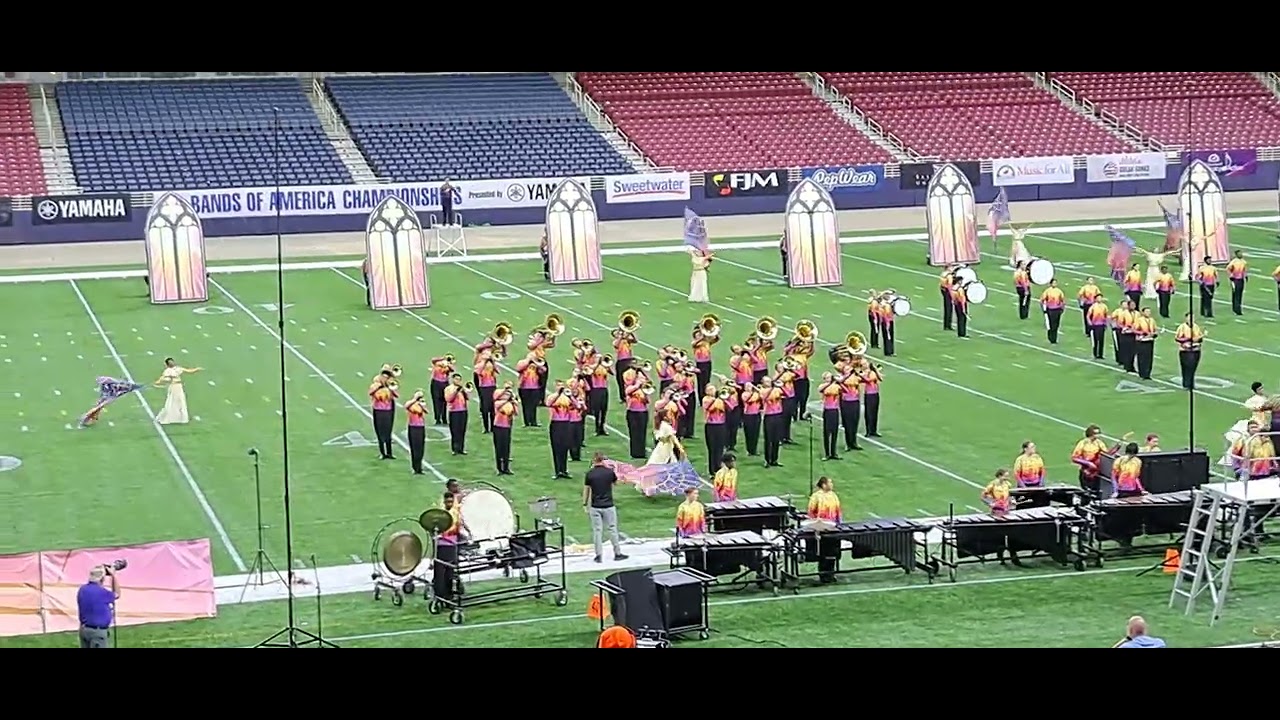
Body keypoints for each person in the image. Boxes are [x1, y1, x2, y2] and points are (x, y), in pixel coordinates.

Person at [583, 453, 628, 564]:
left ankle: (598, 555)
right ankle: (617, 553)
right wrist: (624, 479)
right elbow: (617, 483)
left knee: (597, 531)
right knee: (612, 529)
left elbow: (586, 490)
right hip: (608, 505)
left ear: (594, 461)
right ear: (603, 460)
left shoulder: (590, 474)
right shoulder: (609, 472)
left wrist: (584, 504)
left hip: (595, 506)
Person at [807, 476, 843, 583]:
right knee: (824, 552)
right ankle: (823, 574)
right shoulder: (816, 496)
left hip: (833, 527)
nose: (832, 485)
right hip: (822, 528)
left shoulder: (834, 495)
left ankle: (831, 573)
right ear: (823, 485)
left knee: (833, 552)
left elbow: (838, 511)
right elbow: (811, 512)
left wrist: (839, 524)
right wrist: (816, 525)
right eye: (830, 483)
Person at [77, 564, 119, 648]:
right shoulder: (102, 592)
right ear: (102, 578)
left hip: (84, 629)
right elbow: (117, 594)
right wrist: (113, 576)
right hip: (98, 632)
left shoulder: (82, 590)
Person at [79, 376, 145, 428]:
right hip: (108, 396)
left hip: (109, 397)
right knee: (98, 407)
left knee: (98, 407)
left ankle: (89, 418)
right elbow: (106, 383)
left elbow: (112, 394)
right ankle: (86, 418)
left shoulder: (118, 388)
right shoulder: (111, 384)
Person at [434, 491, 463, 603]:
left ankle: (450, 595)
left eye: (451, 501)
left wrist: (444, 532)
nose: (449, 503)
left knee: (450, 572)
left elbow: (456, 529)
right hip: (440, 546)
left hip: (451, 545)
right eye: (447, 502)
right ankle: (440, 595)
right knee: (440, 573)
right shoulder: (440, 513)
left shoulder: (455, 513)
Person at [154, 357, 201, 425]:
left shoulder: (178, 368)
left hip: (179, 387)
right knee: (171, 402)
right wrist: (157, 382)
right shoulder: (168, 371)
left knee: (181, 401)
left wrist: (196, 369)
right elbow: (162, 378)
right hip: (173, 387)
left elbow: (189, 371)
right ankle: (166, 417)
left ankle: (182, 418)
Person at [368, 368, 397, 460]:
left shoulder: (389, 386)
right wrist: (379, 386)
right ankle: (382, 453)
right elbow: (370, 393)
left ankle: (389, 453)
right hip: (378, 410)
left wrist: (389, 387)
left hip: (388, 410)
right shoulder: (375, 385)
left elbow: (396, 395)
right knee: (380, 431)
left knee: (388, 431)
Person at [547, 382, 574, 479]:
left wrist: (571, 397)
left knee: (565, 447)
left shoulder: (567, 398)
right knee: (556, 447)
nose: (561, 387)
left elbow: (577, 406)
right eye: (558, 385)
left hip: (566, 423)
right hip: (556, 423)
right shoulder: (552, 396)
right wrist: (558, 393)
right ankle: (557, 470)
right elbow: (548, 404)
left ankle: (564, 470)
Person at [1071, 424, 1109, 495]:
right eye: (1096, 433)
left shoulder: (1099, 443)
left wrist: (1117, 447)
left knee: (1095, 493)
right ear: (1091, 434)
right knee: (1086, 493)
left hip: (1096, 473)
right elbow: (1074, 458)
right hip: (1086, 472)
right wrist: (1088, 463)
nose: (1098, 435)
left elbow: (1106, 454)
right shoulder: (1083, 443)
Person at [623, 369, 651, 460]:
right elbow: (627, 392)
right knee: (634, 432)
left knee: (642, 432)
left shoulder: (645, 389)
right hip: (632, 412)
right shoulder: (630, 386)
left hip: (643, 412)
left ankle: (642, 452)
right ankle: (634, 453)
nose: (642, 379)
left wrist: (646, 394)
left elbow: (648, 401)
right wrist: (637, 385)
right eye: (640, 377)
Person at [702, 385, 729, 477]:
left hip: (721, 425)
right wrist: (716, 399)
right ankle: (712, 470)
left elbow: (730, 407)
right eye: (710, 390)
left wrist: (725, 400)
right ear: (706, 391)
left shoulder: (720, 400)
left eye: (713, 389)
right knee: (712, 448)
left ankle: (719, 467)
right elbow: (709, 408)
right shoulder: (706, 399)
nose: (712, 391)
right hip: (711, 425)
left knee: (720, 447)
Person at [1175, 313, 1205, 390]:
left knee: (1193, 367)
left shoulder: (1196, 327)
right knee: (1187, 367)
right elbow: (1177, 338)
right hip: (1185, 350)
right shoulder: (1182, 327)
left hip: (1195, 349)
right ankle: (1186, 384)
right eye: (1189, 317)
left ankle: (1191, 383)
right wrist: (1189, 340)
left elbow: (1200, 338)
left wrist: (1199, 339)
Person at [761, 376, 785, 468]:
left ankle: (775, 459)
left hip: (778, 414)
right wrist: (772, 388)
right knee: (768, 439)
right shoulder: (762, 390)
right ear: (763, 383)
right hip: (769, 416)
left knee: (776, 439)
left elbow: (786, 394)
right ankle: (767, 460)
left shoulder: (777, 389)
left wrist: (780, 386)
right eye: (766, 381)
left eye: (769, 381)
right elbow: (765, 397)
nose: (768, 382)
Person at [837, 362, 862, 452]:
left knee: (855, 421)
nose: (849, 370)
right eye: (846, 369)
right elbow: (840, 382)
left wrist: (857, 372)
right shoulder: (841, 377)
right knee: (847, 423)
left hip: (855, 401)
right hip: (846, 402)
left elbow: (862, 380)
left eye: (849, 369)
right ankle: (848, 443)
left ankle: (854, 442)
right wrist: (847, 375)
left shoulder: (855, 377)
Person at [492, 386, 517, 475]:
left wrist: (514, 403)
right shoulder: (498, 403)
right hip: (498, 427)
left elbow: (516, 413)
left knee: (506, 448)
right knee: (498, 448)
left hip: (507, 427)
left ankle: (506, 468)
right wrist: (507, 399)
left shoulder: (510, 403)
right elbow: (498, 407)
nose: (508, 396)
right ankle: (499, 468)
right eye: (506, 394)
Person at [818, 371, 843, 460]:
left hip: (835, 410)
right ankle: (827, 453)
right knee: (827, 433)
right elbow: (820, 390)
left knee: (835, 432)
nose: (830, 378)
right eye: (827, 377)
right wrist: (829, 383)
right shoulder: (823, 386)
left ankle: (834, 453)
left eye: (830, 377)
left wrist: (839, 381)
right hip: (827, 411)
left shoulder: (837, 386)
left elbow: (845, 390)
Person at [443, 374, 470, 456]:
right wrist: (456, 391)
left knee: (462, 430)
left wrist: (464, 391)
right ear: (452, 379)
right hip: (454, 411)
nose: (458, 381)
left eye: (459, 379)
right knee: (454, 431)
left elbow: (468, 398)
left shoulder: (462, 389)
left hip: (463, 411)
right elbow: (448, 399)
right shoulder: (448, 389)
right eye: (456, 379)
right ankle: (454, 449)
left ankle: (461, 448)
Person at [474, 349, 498, 434]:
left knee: (492, 408)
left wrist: (493, 362)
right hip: (483, 387)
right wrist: (484, 362)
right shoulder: (479, 365)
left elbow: (497, 371)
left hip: (492, 386)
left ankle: (492, 427)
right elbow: (478, 372)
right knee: (485, 409)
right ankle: (486, 428)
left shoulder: (491, 364)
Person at [514, 354, 542, 427]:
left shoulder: (536, 364)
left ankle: (533, 421)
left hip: (535, 387)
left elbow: (543, 371)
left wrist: (536, 363)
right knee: (525, 405)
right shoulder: (522, 362)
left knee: (534, 405)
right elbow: (518, 369)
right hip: (524, 387)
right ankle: (526, 422)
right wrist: (528, 361)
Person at [405, 390, 428, 475]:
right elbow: (406, 406)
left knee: (421, 448)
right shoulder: (411, 403)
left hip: (421, 427)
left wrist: (422, 405)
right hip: (413, 427)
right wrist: (415, 399)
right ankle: (415, 467)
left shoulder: (421, 404)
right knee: (414, 448)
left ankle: (419, 467)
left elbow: (426, 411)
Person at [859, 360, 883, 438]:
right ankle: (869, 430)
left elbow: (879, 379)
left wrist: (876, 370)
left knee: (874, 412)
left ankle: (874, 430)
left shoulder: (872, 372)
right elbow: (864, 380)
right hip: (868, 394)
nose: (865, 365)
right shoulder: (863, 372)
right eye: (863, 364)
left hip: (875, 393)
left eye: (866, 363)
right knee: (868, 413)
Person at [1133, 307, 1159, 381]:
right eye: (1147, 312)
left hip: (1150, 340)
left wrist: (1154, 334)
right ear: (1143, 312)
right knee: (1142, 357)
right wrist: (1142, 333)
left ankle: (1147, 373)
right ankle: (1142, 373)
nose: (1148, 313)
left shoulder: (1152, 320)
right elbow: (1134, 330)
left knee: (1149, 358)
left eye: (1149, 312)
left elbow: (1155, 329)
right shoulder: (1139, 320)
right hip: (1141, 341)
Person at [427, 355, 453, 425]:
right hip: (436, 383)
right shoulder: (437, 364)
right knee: (436, 401)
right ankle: (437, 418)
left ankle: (444, 418)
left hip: (445, 383)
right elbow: (433, 360)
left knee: (445, 401)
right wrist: (443, 359)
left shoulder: (447, 366)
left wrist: (448, 364)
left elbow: (452, 369)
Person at [1040, 278, 1066, 344]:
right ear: (1051, 284)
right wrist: (1044, 308)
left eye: (1055, 283)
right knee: (1052, 324)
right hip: (1050, 309)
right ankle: (1051, 338)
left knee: (1056, 324)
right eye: (1053, 283)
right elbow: (1042, 300)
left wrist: (1062, 308)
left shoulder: (1059, 291)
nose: (1055, 284)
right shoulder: (1047, 291)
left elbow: (1063, 300)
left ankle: (1054, 338)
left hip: (1058, 309)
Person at [739, 382, 762, 456]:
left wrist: (756, 389)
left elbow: (763, 396)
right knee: (749, 433)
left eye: (750, 386)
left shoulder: (756, 393)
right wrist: (756, 390)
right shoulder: (744, 394)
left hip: (756, 414)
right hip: (748, 415)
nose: (749, 387)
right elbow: (749, 400)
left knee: (756, 432)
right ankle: (749, 449)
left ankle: (754, 449)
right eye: (747, 386)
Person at [1086, 293, 1110, 360]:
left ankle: (1100, 354)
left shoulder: (1104, 306)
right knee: (1095, 340)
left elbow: (1106, 315)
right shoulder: (1093, 306)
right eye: (1098, 298)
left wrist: (1106, 323)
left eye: (1101, 298)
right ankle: (1095, 354)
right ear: (1096, 299)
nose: (1100, 299)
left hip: (1102, 325)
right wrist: (1090, 323)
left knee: (1101, 340)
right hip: (1095, 325)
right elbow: (1088, 316)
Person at [1226, 250, 1248, 315]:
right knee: (1236, 294)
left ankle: (1238, 308)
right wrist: (1231, 276)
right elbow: (1228, 269)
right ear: (1236, 254)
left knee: (1240, 294)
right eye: (1239, 253)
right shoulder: (1233, 262)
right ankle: (1236, 310)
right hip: (1235, 280)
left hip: (1241, 279)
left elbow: (1244, 270)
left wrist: (1245, 276)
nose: (1241, 254)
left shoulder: (1244, 262)